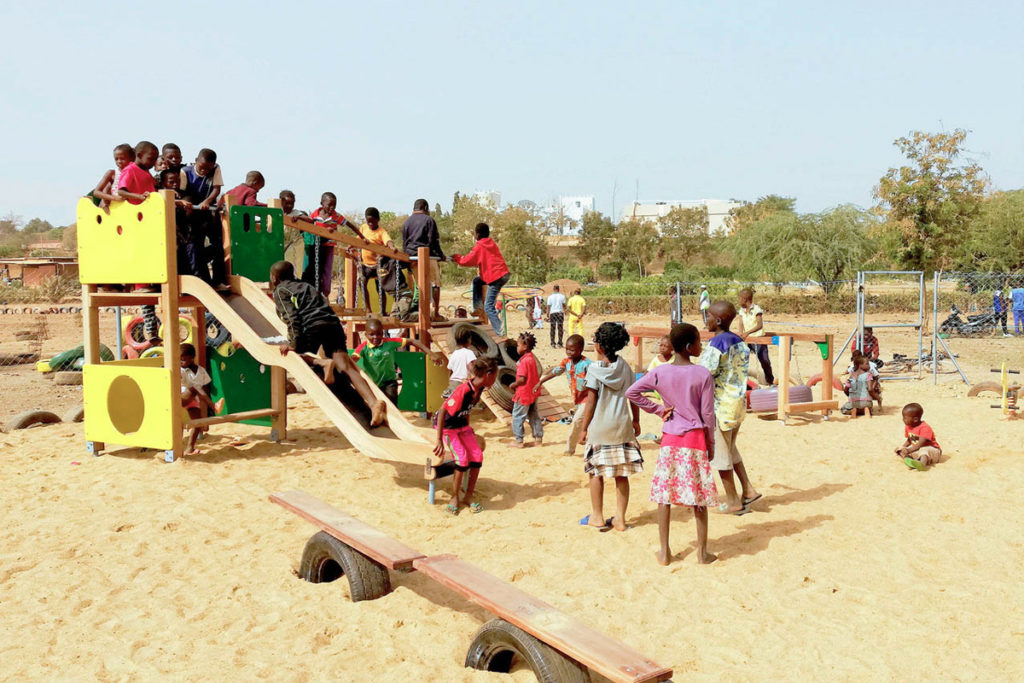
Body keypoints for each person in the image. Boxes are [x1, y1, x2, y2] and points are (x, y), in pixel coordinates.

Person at [626, 323, 718, 565]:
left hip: (670, 440)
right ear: (689, 347)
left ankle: (665, 552)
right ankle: (701, 553)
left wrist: (658, 410)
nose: (701, 346)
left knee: (664, 496)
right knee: (699, 497)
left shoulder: (660, 372)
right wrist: (711, 443)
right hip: (696, 439)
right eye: (699, 342)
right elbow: (708, 414)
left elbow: (632, 393)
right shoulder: (702, 374)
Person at [268, 261, 388, 427]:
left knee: (296, 357)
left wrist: (293, 344)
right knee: (346, 367)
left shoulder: (280, 290)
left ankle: (323, 362)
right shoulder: (306, 286)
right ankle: (374, 403)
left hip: (312, 325)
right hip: (333, 323)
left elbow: (292, 317)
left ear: (274, 278)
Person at [578, 322, 643, 532]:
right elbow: (634, 394)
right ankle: (621, 520)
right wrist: (636, 420)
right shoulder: (625, 366)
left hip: (599, 427)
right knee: (621, 474)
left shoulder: (594, 370)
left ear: (601, 347)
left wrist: (583, 428)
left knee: (595, 473)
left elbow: (591, 402)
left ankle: (597, 516)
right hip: (621, 426)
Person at [700, 301, 760, 515]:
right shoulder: (739, 341)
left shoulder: (717, 344)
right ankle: (748, 489)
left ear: (717, 320)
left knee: (721, 454)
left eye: (707, 316)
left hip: (720, 405)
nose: (705, 320)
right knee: (731, 447)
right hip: (738, 403)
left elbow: (704, 373)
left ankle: (733, 501)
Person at [434, 357, 499, 515]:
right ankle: (454, 497)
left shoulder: (480, 388)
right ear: (488, 374)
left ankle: (468, 495)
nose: (495, 379)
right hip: (448, 427)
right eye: (495, 376)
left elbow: (467, 409)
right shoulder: (464, 389)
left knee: (477, 456)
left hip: (462, 426)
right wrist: (439, 439)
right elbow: (443, 411)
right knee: (461, 458)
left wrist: (468, 428)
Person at [350, 318, 441, 404]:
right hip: (372, 384)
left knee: (391, 403)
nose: (375, 337)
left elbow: (413, 341)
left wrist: (430, 353)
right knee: (374, 405)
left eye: (379, 334)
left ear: (383, 333)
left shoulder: (389, 343)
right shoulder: (364, 347)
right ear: (366, 335)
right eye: (372, 334)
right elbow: (353, 358)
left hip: (389, 382)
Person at [180, 148, 229, 291]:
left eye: (208, 169)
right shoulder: (185, 171)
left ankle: (219, 280)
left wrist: (207, 201)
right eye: (201, 168)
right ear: (196, 161)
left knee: (219, 244)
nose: (204, 172)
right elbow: (183, 192)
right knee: (195, 244)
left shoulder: (215, 169)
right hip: (192, 208)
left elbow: (216, 189)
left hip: (207, 208)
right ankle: (200, 279)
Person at [535, 334, 591, 456]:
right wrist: (541, 382)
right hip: (577, 399)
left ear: (580, 350)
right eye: (567, 349)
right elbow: (556, 372)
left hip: (588, 399)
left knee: (576, 421)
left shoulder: (587, 364)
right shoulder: (566, 362)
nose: (569, 352)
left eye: (572, 350)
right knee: (585, 422)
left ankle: (570, 449)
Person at [451, 222, 510, 335]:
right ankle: (477, 308)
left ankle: (500, 331)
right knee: (477, 281)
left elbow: (468, 260)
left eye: (474, 233)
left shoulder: (480, 246)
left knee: (488, 307)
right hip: (502, 273)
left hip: (495, 277)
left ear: (477, 234)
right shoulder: (491, 243)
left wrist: (456, 258)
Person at [301, 192, 360, 298]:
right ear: (322, 203)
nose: (332, 208)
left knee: (326, 270)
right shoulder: (315, 214)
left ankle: (325, 293)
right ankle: (313, 292)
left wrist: (362, 237)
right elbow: (309, 222)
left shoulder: (336, 216)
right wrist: (298, 218)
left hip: (328, 246)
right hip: (317, 245)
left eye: (334, 205)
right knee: (314, 269)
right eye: (329, 205)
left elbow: (350, 225)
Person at [401, 198, 444, 320]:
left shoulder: (406, 222)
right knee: (435, 284)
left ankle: (423, 314)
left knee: (420, 285)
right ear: (425, 208)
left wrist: (407, 262)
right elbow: (433, 241)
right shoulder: (429, 220)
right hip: (427, 256)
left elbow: (405, 244)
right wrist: (440, 255)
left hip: (412, 257)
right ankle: (435, 313)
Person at [179, 343, 224, 456]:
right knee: (194, 387)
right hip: (181, 397)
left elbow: (205, 389)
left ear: (192, 358)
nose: (181, 362)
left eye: (183, 360)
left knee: (198, 423)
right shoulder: (181, 370)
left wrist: (204, 404)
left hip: (193, 400)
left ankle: (190, 448)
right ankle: (214, 406)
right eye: (179, 360)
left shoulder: (201, 371)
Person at [357, 208, 396, 314]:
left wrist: (391, 247)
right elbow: (358, 239)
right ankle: (368, 309)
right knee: (362, 281)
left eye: (372, 221)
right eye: (368, 221)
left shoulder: (381, 231)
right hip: (366, 265)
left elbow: (388, 241)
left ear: (377, 220)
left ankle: (382, 311)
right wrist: (350, 246)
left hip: (378, 264)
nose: (370, 224)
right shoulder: (363, 228)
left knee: (380, 288)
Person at [508, 331, 543, 448]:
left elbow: (522, 379)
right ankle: (538, 439)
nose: (517, 347)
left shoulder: (523, 361)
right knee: (534, 416)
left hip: (523, 394)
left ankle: (518, 440)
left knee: (517, 416)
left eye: (518, 345)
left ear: (525, 347)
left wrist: (514, 384)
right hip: (533, 392)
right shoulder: (532, 359)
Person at [736, 288, 774, 386]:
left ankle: (770, 381)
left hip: (758, 339)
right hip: (747, 340)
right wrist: (741, 333)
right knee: (743, 359)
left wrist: (747, 333)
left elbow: (759, 325)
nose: (739, 300)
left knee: (764, 361)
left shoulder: (757, 309)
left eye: (740, 298)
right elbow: (740, 323)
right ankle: (742, 381)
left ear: (745, 299)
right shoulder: (741, 311)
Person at [895, 403, 941, 470]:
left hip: (933, 451)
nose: (903, 419)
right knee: (899, 450)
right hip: (917, 449)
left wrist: (908, 450)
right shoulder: (908, 427)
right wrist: (903, 447)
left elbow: (920, 444)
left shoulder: (924, 428)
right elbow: (909, 440)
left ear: (915, 419)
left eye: (905, 418)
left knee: (924, 450)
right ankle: (910, 461)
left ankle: (922, 464)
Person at [90, 143, 134, 208]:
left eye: (122, 158)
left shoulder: (134, 173)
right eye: (116, 159)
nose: (119, 161)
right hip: (113, 207)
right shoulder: (112, 173)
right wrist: (114, 198)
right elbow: (96, 192)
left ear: (131, 158)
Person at [117, 140, 159, 204]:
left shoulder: (146, 172)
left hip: (148, 208)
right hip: (136, 210)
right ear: (139, 155)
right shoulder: (130, 170)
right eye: (151, 159)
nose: (153, 163)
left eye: (155, 160)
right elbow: (121, 192)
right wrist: (139, 196)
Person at [445, 328, 478, 396]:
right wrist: (474, 377)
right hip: (463, 382)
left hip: (453, 382)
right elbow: (470, 366)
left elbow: (450, 369)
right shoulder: (469, 353)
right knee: (463, 402)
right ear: (469, 340)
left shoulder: (454, 353)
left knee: (453, 402)